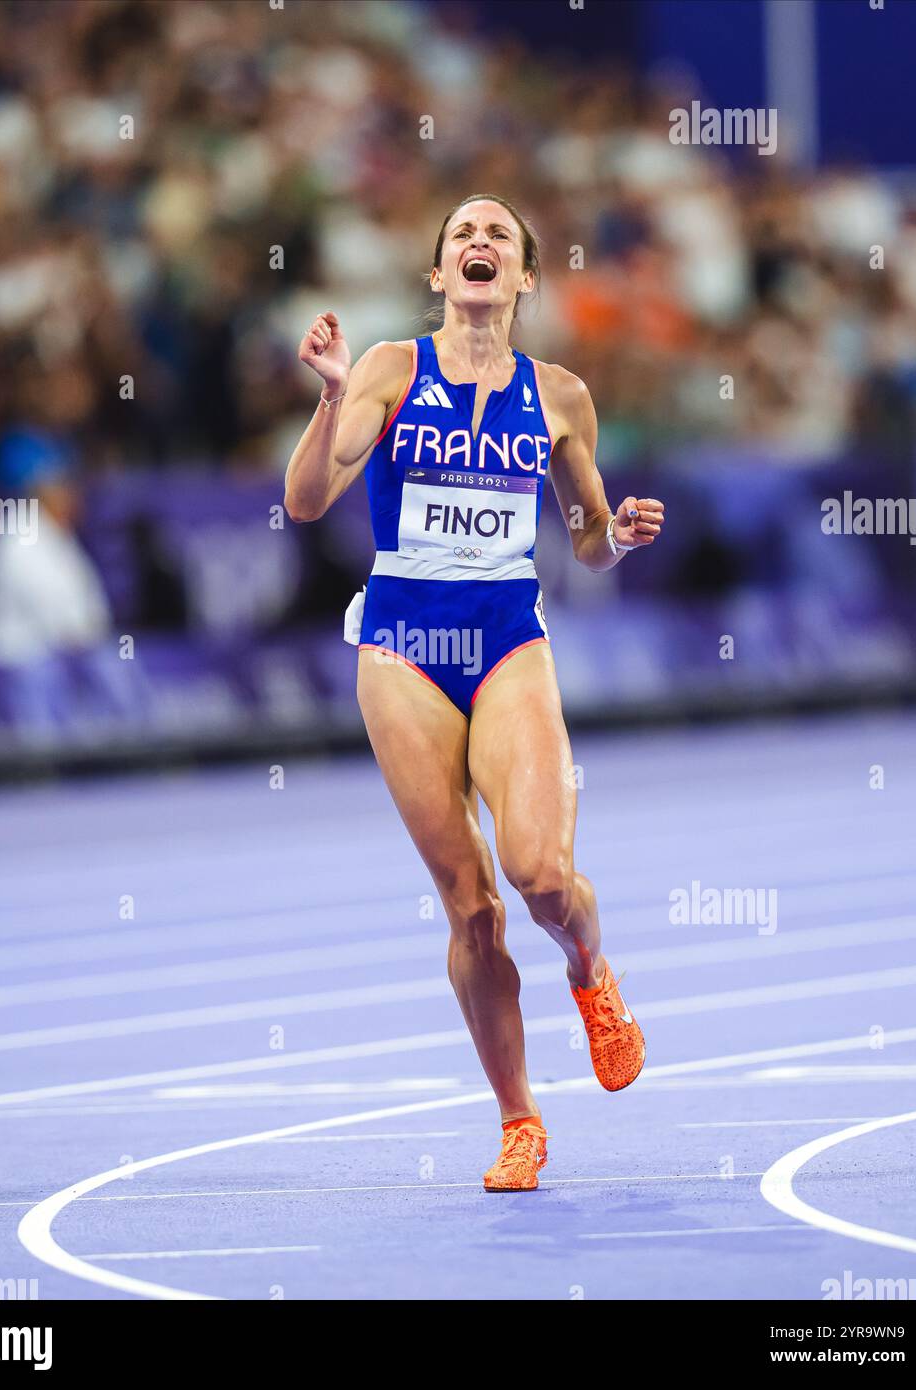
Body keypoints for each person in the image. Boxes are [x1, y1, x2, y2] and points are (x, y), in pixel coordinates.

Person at [285, 194, 665, 1191]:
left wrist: (613, 536)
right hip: (402, 642)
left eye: (499, 234)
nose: (480, 242)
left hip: (505, 635)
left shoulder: (562, 395)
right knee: (473, 907)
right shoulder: (387, 369)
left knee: (541, 876)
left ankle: (589, 973)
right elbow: (305, 501)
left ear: (524, 277)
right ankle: (519, 1119)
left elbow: (585, 537)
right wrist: (328, 396)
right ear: (438, 274)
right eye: (461, 233)